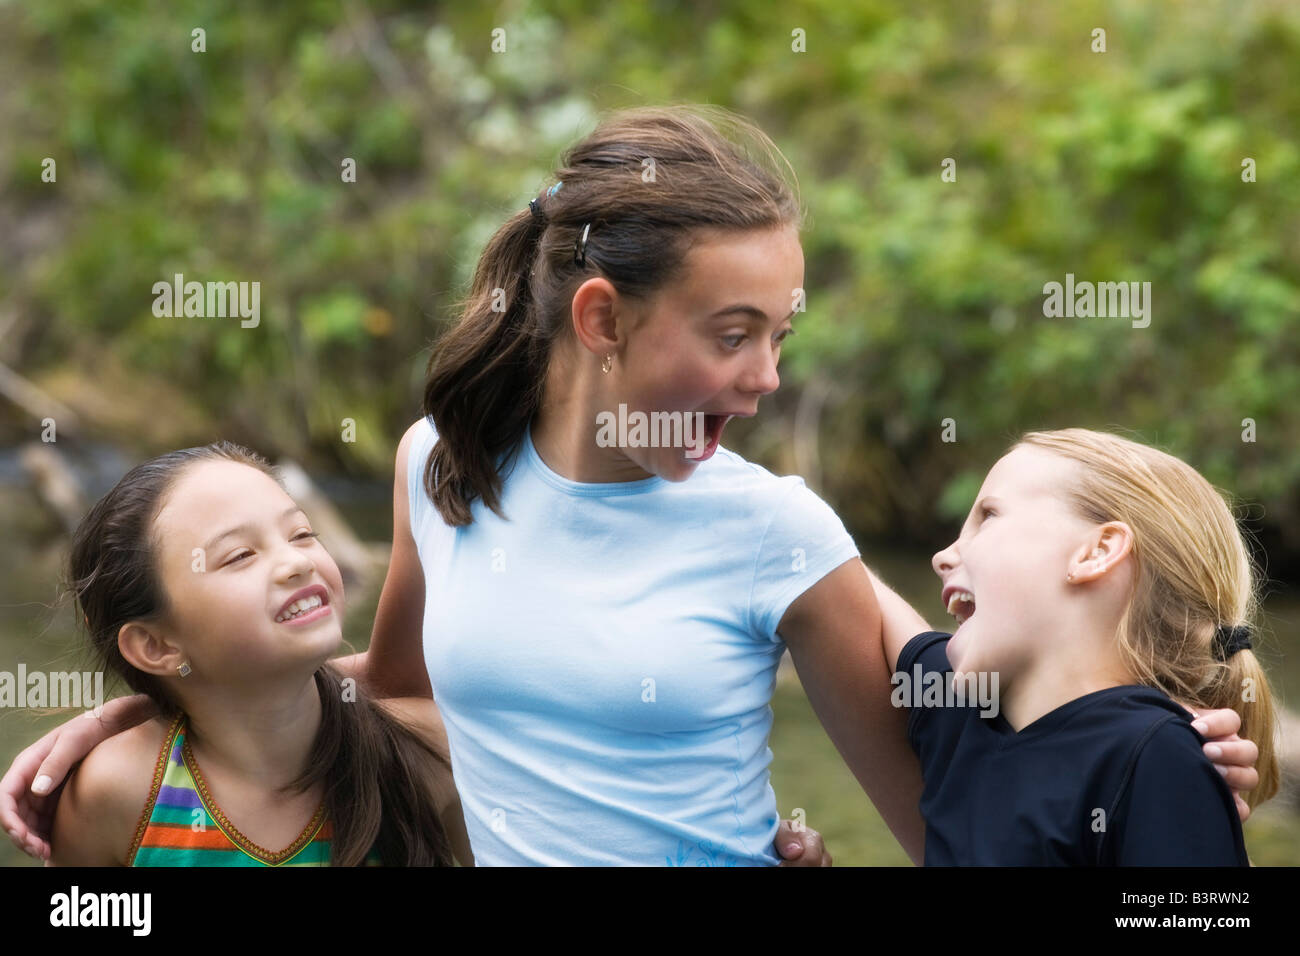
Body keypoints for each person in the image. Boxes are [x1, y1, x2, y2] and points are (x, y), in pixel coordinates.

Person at [4, 105, 1255, 866]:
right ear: (601, 315)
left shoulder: (775, 531)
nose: (765, 378)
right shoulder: (435, 467)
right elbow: (394, 696)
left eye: (783, 333)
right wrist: (165, 710)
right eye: (731, 333)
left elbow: (958, 793)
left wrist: (1154, 752)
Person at [41, 442, 470, 866]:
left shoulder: (427, 753)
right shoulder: (119, 792)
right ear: (157, 646)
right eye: (240, 555)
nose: (296, 563)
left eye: (302, 534)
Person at [869, 429, 1278, 864]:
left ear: (1097, 551)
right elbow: (839, 578)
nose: (942, 556)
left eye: (988, 515)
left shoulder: (1153, 756)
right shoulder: (963, 711)